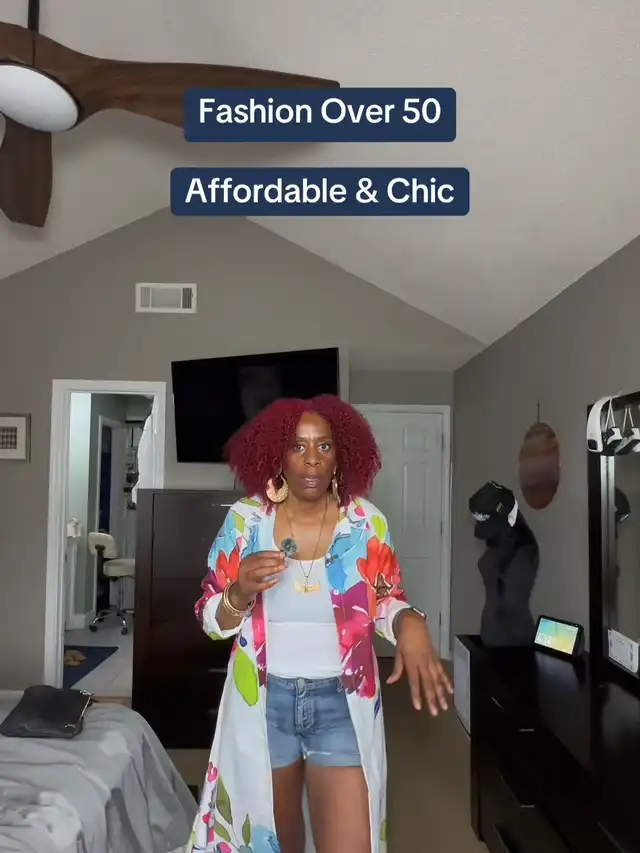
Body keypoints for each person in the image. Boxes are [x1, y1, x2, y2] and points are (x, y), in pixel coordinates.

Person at [189, 395, 453, 853]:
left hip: (341, 704)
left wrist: (409, 620)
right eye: (298, 446)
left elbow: (385, 601)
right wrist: (240, 591)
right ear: (277, 455)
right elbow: (212, 620)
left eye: (324, 446)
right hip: (264, 704)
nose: (312, 459)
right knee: (272, 841)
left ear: (341, 455)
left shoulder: (366, 523)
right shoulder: (246, 521)